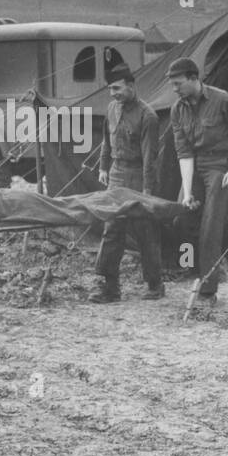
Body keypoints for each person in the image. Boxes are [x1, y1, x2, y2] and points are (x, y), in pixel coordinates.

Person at [167, 57, 228, 302]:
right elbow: (184, 153)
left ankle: (207, 292)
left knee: (210, 229)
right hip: (195, 166)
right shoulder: (177, 109)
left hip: (221, 166)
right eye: (172, 84)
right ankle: (193, 268)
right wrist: (187, 193)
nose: (174, 89)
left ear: (194, 78)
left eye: (178, 83)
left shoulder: (222, 100)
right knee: (181, 217)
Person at [91, 63, 164, 302]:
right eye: (110, 89)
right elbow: (106, 140)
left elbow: (150, 158)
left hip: (138, 174)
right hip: (116, 173)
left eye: (117, 88)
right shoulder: (112, 108)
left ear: (131, 86)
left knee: (144, 230)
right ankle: (110, 287)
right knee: (112, 229)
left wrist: (147, 191)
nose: (113, 93)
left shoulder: (148, 116)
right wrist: (103, 167)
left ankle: (155, 284)